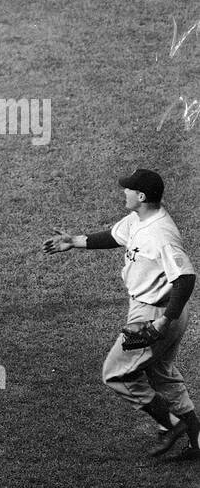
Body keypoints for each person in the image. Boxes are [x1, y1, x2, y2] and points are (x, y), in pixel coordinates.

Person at [43, 168, 199, 458]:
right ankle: (197, 441)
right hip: (153, 308)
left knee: (115, 372)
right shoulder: (138, 219)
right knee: (161, 375)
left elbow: (186, 277)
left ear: (141, 196)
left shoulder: (161, 235)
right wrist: (74, 241)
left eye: (128, 189)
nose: (123, 192)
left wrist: (164, 321)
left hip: (157, 313)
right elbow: (116, 236)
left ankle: (172, 424)